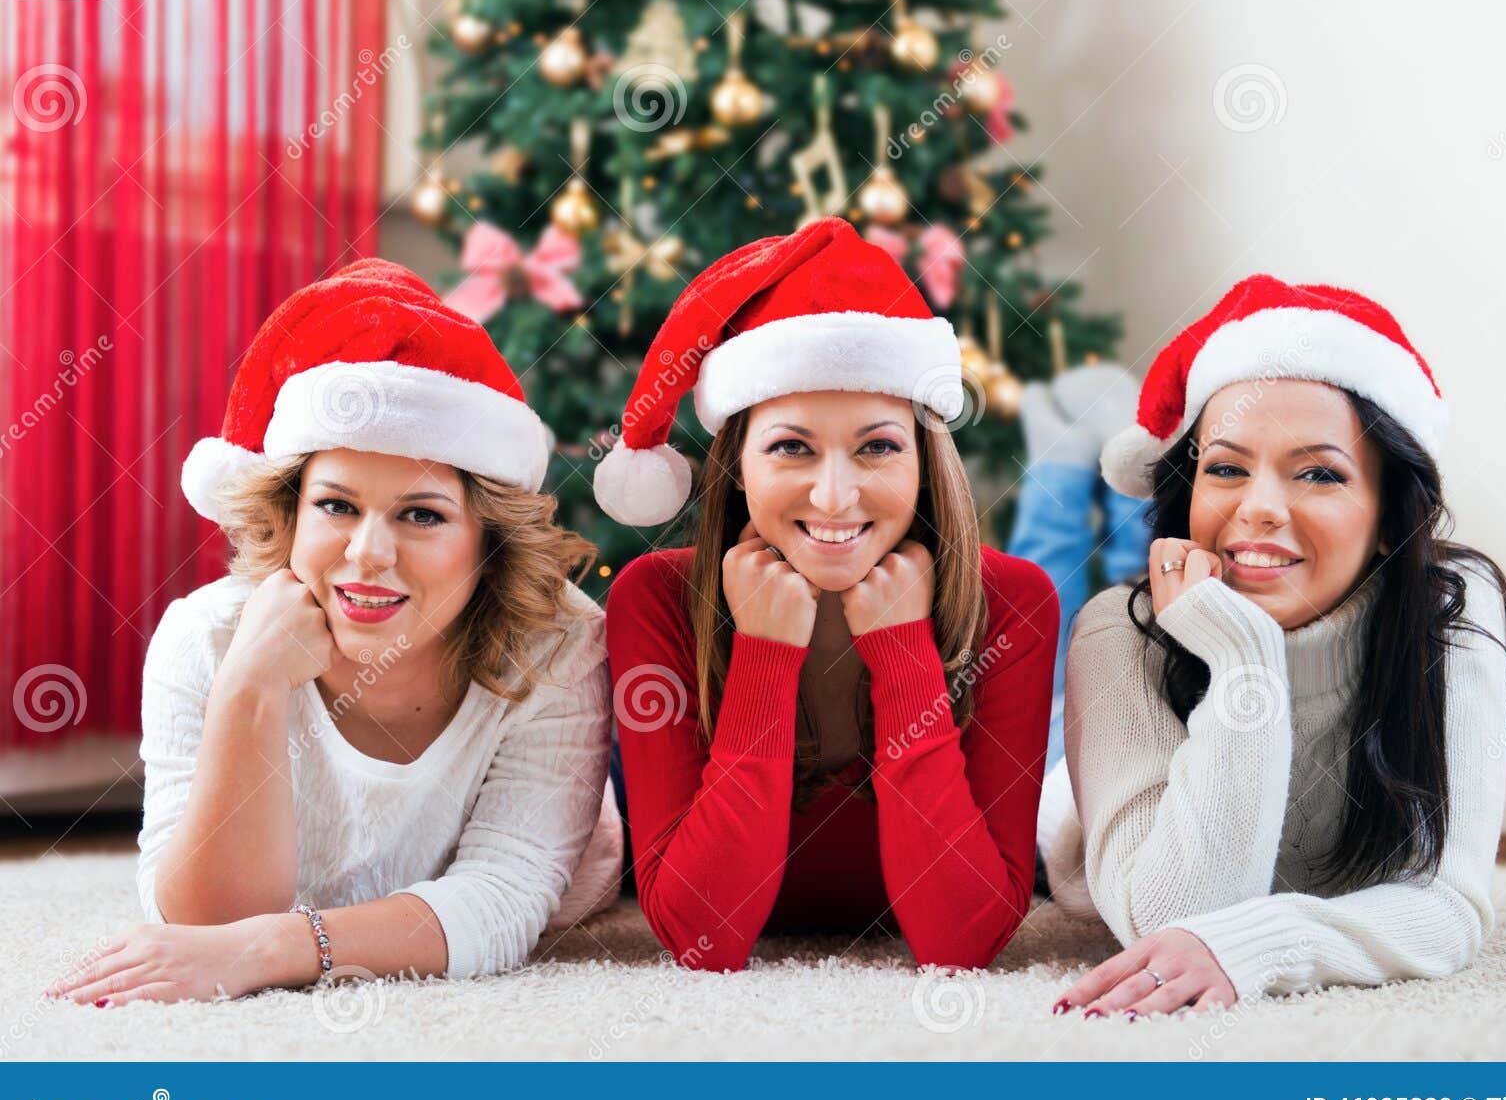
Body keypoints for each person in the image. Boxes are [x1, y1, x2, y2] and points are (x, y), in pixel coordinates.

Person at [49, 259, 621, 1007]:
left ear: (489, 538)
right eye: (336, 506)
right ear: (291, 513)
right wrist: (249, 687)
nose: (368, 554)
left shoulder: (558, 640)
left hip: (592, 854)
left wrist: (279, 945)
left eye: (422, 514)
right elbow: (202, 925)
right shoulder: (207, 636)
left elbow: (502, 902)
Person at [1043, 274, 1506, 1016]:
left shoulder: (1453, 620)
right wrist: (1242, 657)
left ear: (1389, 515)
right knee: (1051, 580)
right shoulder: (1119, 635)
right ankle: (1060, 461)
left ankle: (1069, 461)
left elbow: (1448, 908)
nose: (1260, 507)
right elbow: (1172, 919)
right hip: (1074, 797)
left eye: (1319, 473)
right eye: (1226, 468)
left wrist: (1264, 945)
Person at [593, 217, 1058, 973]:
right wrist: (765, 654)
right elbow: (700, 939)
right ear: (737, 463)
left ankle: (1065, 465)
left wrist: (904, 653)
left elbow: (961, 941)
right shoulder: (656, 597)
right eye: (790, 447)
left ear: (923, 462)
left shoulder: (1015, 601)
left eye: (878, 446)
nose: (836, 496)